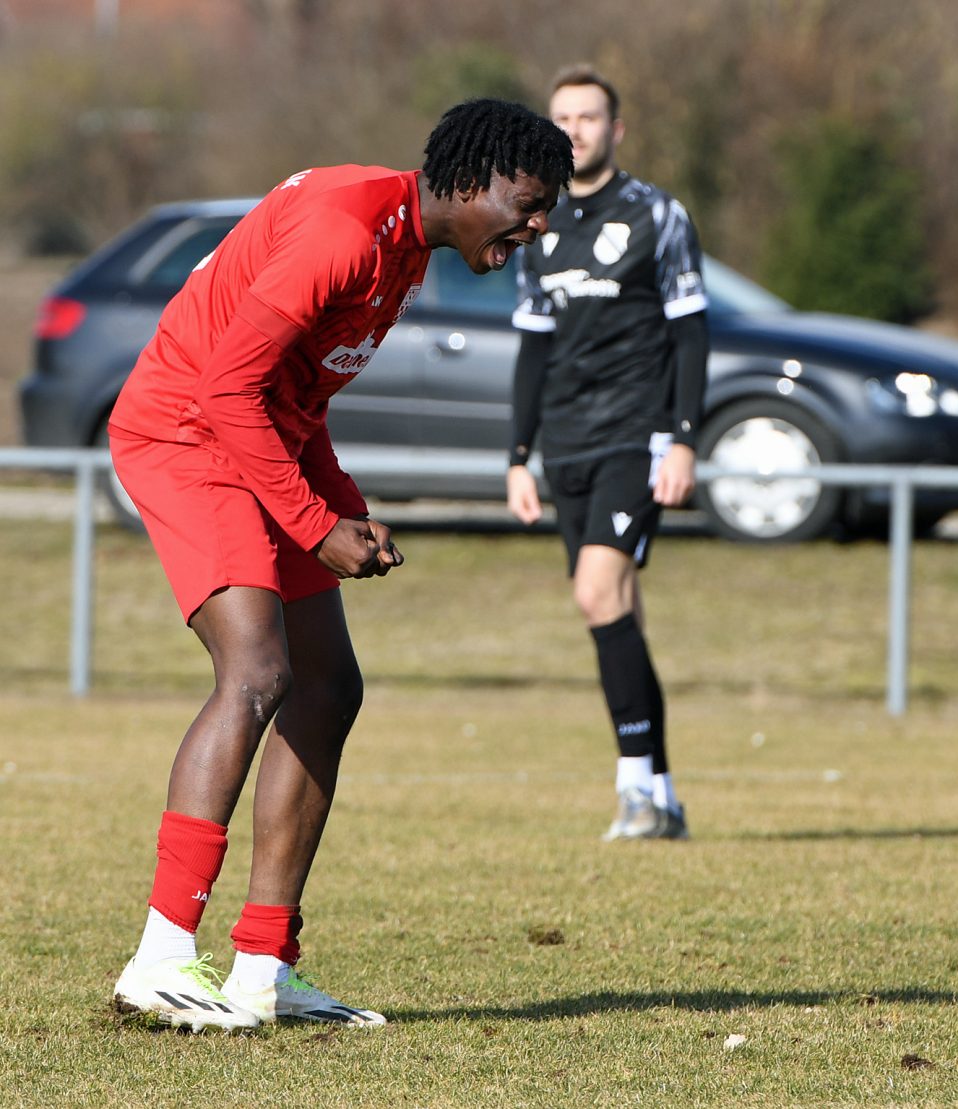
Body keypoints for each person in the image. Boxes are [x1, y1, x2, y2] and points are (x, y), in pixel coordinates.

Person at [107, 99, 573, 1031]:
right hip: (185, 433)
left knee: (329, 686)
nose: (538, 224)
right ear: (471, 181)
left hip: (256, 438)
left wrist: (342, 508)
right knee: (259, 670)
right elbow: (227, 387)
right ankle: (159, 956)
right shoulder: (343, 229)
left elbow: (296, 397)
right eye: (526, 202)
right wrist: (316, 523)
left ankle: (261, 970)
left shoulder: (403, 251)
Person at [506, 65, 708, 842]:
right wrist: (519, 454)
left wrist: (683, 437)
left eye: (589, 117)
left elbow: (692, 331)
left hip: (638, 435)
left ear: (615, 129)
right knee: (616, 607)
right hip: (567, 442)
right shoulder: (535, 221)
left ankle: (633, 790)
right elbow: (532, 347)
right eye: (563, 118)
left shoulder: (658, 214)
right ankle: (661, 792)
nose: (576, 130)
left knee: (596, 594)